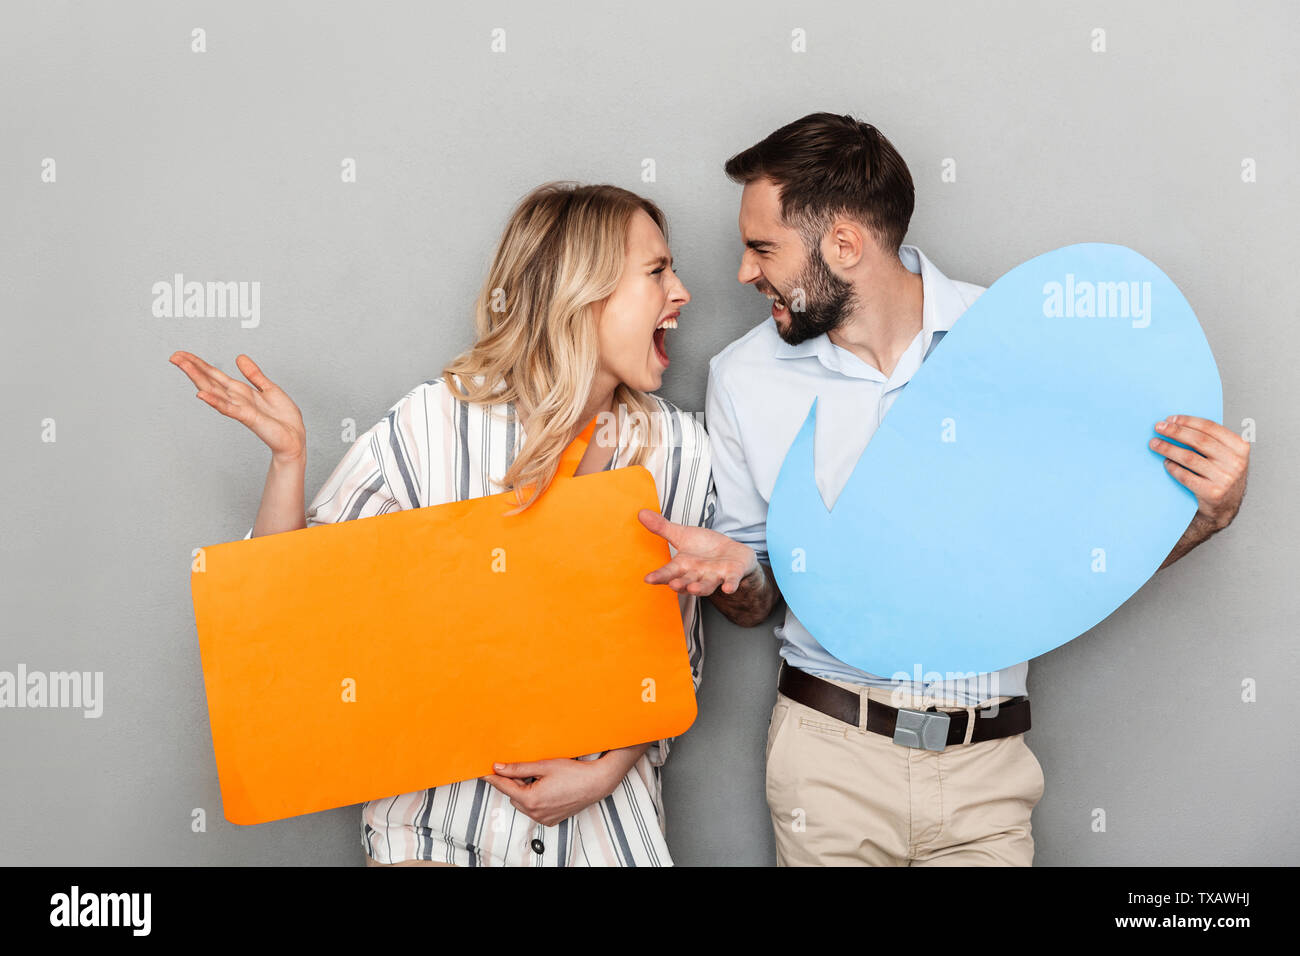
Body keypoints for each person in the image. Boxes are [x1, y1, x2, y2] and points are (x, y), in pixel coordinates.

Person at [639, 112, 1250, 865]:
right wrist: (733, 578)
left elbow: (1071, 567)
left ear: (845, 245)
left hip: (986, 769)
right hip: (826, 763)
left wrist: (1200, 520)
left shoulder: (1018, 346)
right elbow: (760, 597)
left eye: (762, 247)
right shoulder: (743, 376)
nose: (742, 271)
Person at [170, 182, 715, 867]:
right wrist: (288, 460)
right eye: (658, 270)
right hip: (436, 836)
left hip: (608, 837)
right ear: (585, 290)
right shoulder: (434, 424)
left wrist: (604, 772)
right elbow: (286, 616)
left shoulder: (682, 453)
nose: (683, 292)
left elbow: (673, 660)